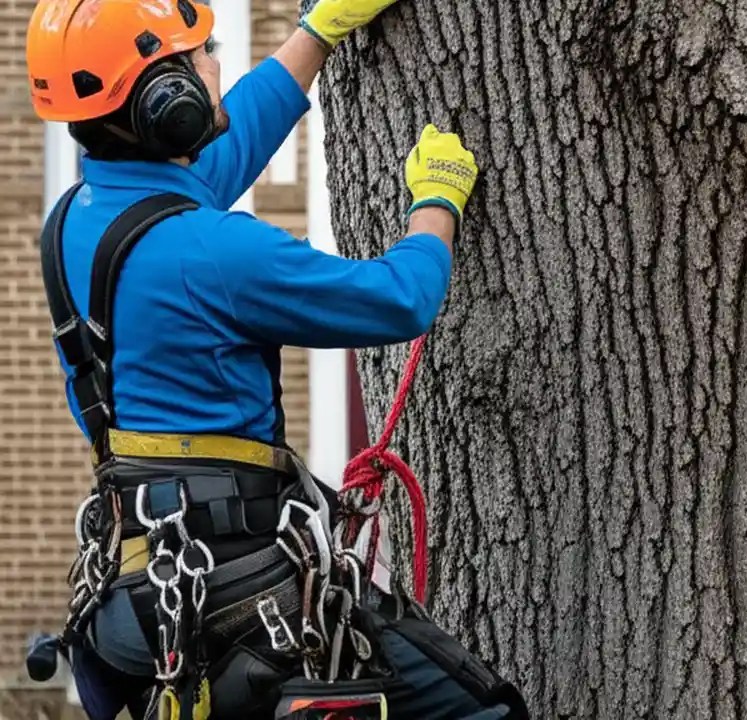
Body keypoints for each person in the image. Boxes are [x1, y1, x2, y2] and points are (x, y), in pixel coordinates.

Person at [25, 0, 523, 717]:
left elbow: (215, 164)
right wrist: (435, 204)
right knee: (484, 711)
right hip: (242, 594)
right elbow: (398, 299)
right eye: (203, 56)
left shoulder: (75, 220)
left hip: (133, 593)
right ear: (168, 101)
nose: (217, 66)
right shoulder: (221, 252)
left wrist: (318, 33)